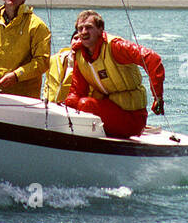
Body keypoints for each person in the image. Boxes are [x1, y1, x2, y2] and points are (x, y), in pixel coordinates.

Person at [64, 9, 165, 139]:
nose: (83, 32)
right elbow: (77, 91)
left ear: (101, 29)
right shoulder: (79, 54)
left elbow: (152, 59)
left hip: (132, 116)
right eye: (80, 28)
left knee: (85, 104)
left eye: (89, 27)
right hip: (108, 109)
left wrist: (158, 97)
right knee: (72, 102)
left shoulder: (116, 47)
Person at [44, 35, 76, 103]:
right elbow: (47, 83)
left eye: (81, 40)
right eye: (75, 38)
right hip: (49, 105)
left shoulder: (85, 66)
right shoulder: (53, 59)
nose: (77, 42)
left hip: (69, 109)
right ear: (71, 41)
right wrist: (45, 97)